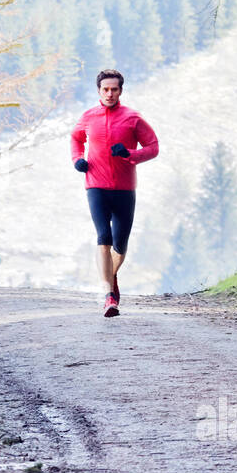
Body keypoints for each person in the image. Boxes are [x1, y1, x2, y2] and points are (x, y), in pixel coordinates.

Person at [70, 68, 159, 316]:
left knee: (120, 244)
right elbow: (75, 139)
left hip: (124, 188)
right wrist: (77, 159)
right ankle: (109, 296)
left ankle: (111, 274)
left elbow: (153, 147)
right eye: (105, 89)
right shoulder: (88, 117)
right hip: (95, 185)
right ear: (98, 90)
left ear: (121, 90)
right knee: (103, 236)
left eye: (114, 89)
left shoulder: (133, 118)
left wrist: (131, 155)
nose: (109, 93)